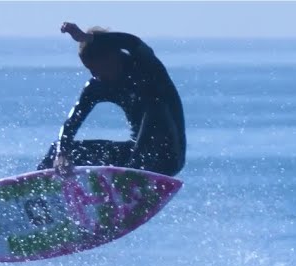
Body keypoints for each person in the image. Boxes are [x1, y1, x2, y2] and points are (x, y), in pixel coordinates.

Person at [37, 23, 186, 177]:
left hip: (167, 157)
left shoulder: (147, 67)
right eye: (90, 70)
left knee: (155, 106)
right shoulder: (99, 85)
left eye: (96, 68)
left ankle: (131, 177)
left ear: (111, 57)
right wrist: (63, 152)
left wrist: (88, 38)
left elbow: (133, 42)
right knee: (58, 149)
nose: (95, 75)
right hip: (133, 157)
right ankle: (38, 195)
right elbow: (72, 121)